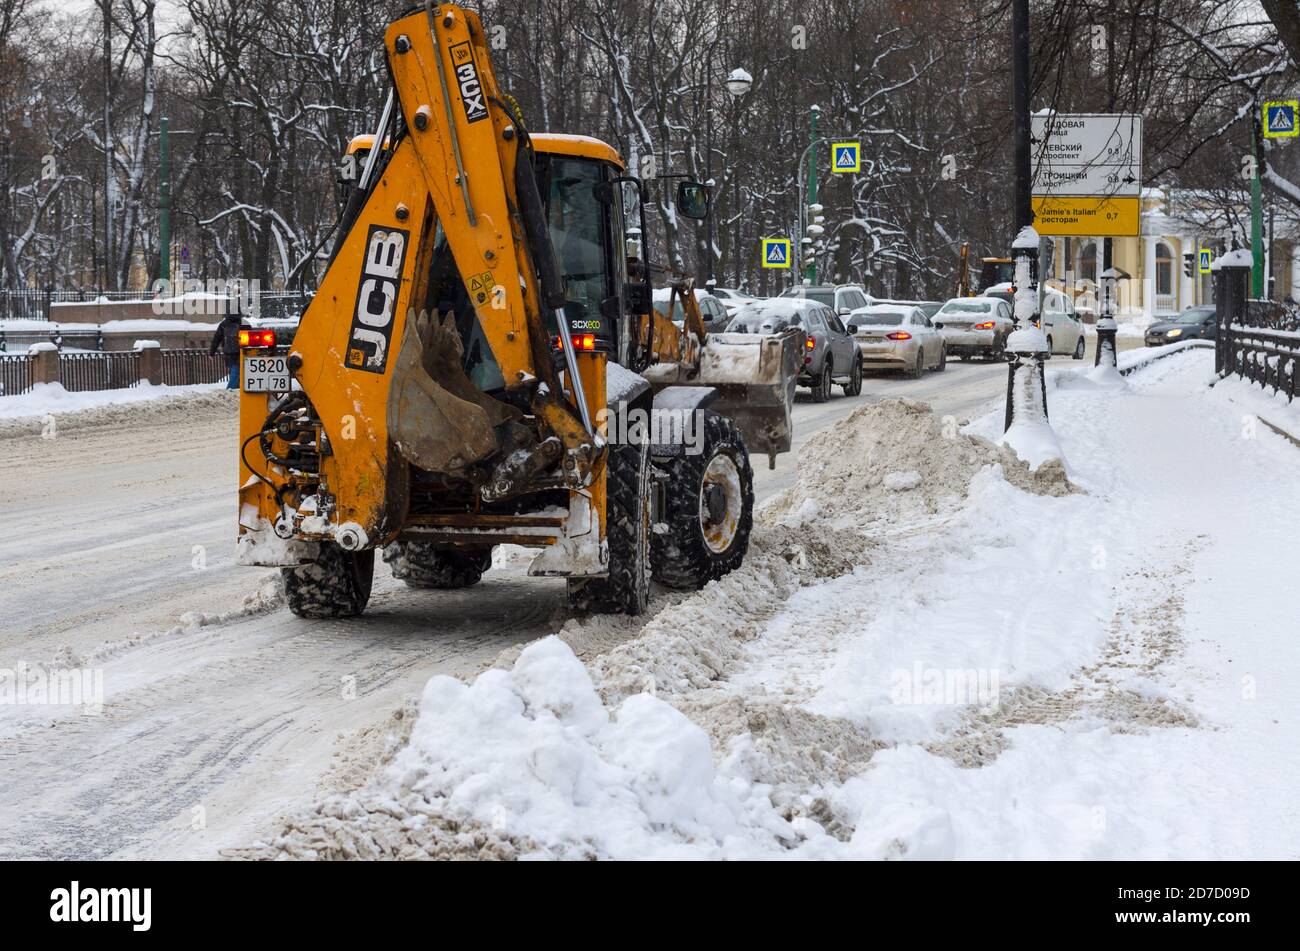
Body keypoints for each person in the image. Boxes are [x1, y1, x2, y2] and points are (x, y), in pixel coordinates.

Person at [210, 313, 242, 389]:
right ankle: (230, 390)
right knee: (236, 372)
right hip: (240, 352)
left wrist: (212, 352)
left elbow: (216, 338)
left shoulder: (224, 323)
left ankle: (235, 390)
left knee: (233, 372)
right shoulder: (243, 323)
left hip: (228, 353)